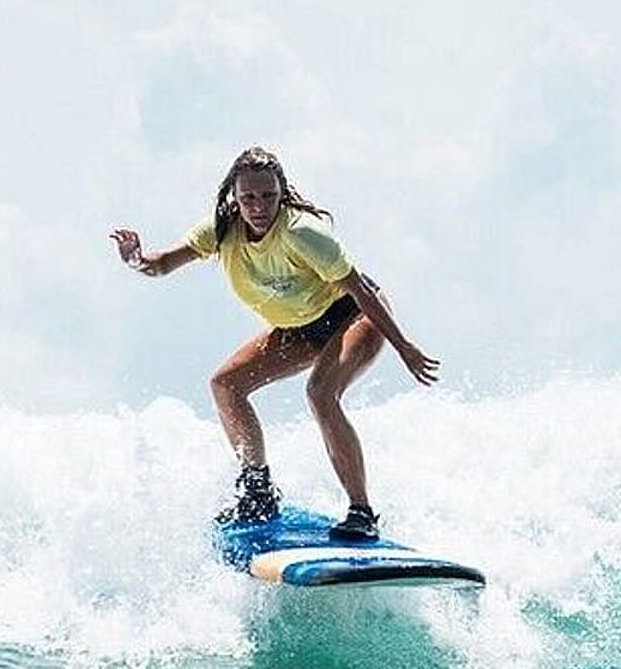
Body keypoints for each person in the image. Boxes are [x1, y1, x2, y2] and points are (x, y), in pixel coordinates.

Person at [109, 146, 439, 540]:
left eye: (268, 196)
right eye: (248, 197)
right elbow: (161, 264)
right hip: (299, 328)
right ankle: (258, 492)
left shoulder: (302, 233)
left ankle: (362, 512)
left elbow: (362, 290)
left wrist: (403, 346)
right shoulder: (223, 229)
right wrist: (136, 259)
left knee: (321, 393)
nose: (258, 206)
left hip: (354, 314)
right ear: (234, 196)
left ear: (281, 192)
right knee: (226, 385)